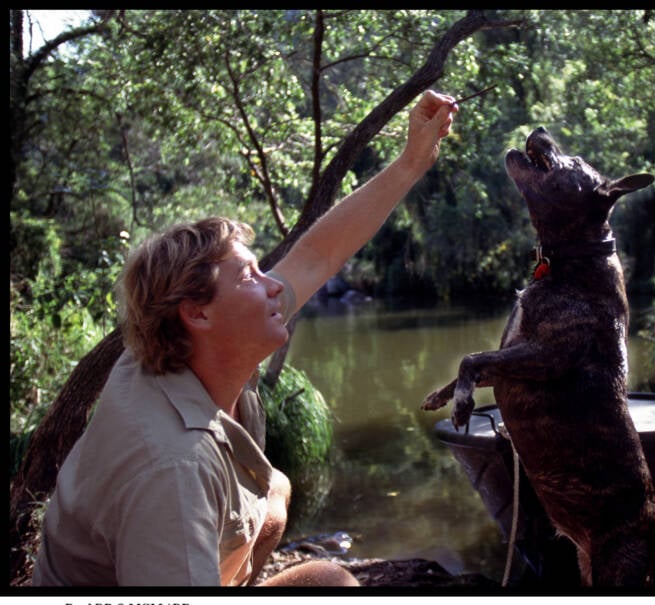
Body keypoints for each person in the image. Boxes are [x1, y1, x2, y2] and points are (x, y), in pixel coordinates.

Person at [31, 90, 459, 587]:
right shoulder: (174, 470)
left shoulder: (184, 344)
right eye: (250, 276)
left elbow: (318, 256)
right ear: (197, 312)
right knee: (332, 583)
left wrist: (411, 161)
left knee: (275, 491)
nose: (274, 284)